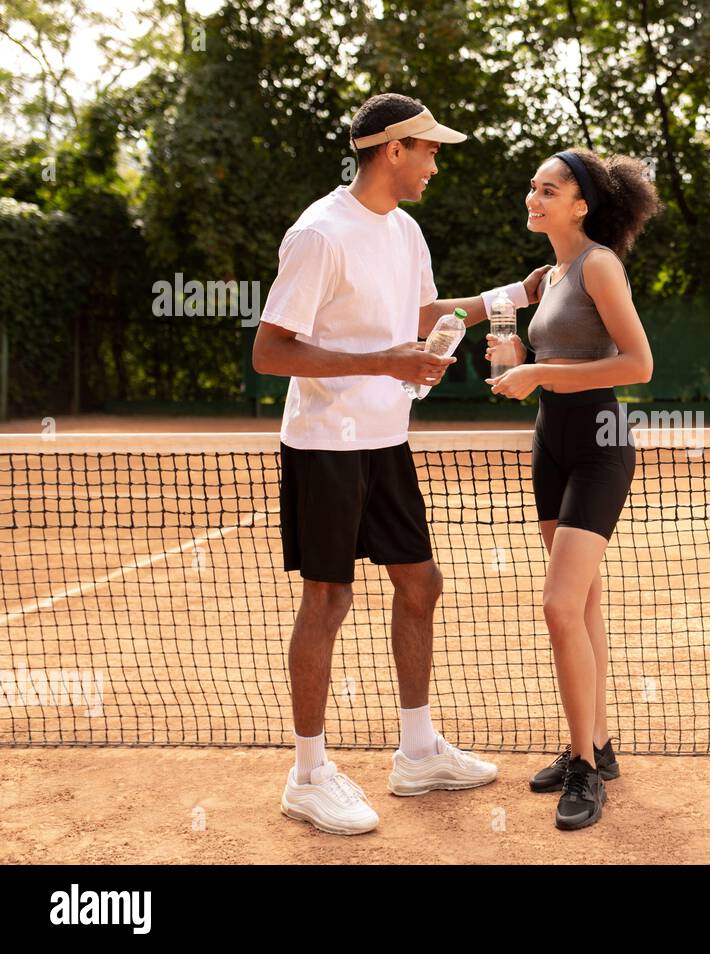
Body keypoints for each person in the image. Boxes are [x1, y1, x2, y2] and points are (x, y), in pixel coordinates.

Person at [252, 92, 551, 835]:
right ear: (392, 151)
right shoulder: (319, 234)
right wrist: (383, 362)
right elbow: (270, 350)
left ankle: (417, 752)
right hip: (324, 445)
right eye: (429, 150)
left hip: (385, 441)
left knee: (420, 583)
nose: (435, 164)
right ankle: (308, 772)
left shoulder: (405, 230)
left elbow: (419, 318)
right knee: (328, 602)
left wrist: (515, 293)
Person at [485, 147, 661, 829]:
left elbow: (638, 364)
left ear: (581, 204)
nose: (534, 197)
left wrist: (540, 373)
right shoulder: (551, 272)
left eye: (549, 190)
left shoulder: (599, 265)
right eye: (532, 187)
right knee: (582, 602)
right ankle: (598, 745)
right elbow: (534, 348)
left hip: (599, 447)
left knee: (559, 607)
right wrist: (518, 365)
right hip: (549, 444)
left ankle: (585, 770)